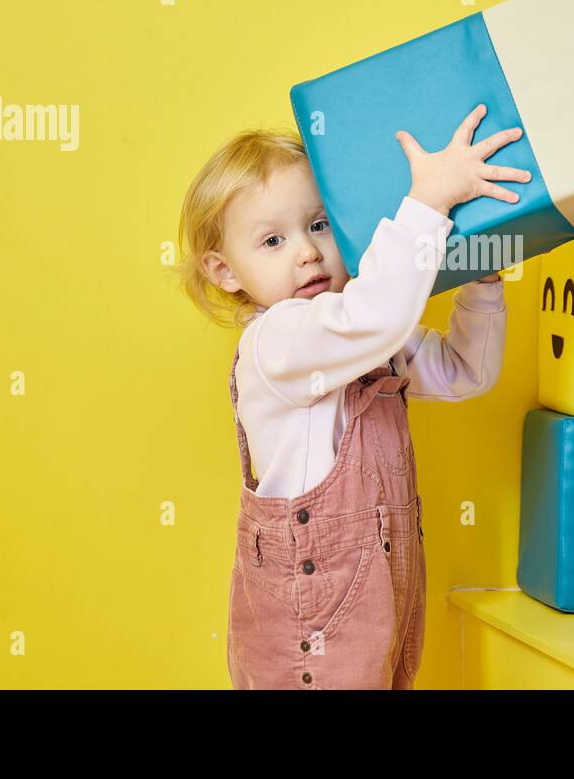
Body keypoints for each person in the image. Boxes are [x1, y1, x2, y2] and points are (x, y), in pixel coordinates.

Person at [176, 103, 527, 688]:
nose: (308, 252)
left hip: (378, 604)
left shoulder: (358, 335)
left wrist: (479, 283)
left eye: (319, 225)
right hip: (310, 627)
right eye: (271, 240)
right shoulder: (279, 342)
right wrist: (429, 202)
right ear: (225, 270)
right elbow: (376, 318)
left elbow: (466, 371)